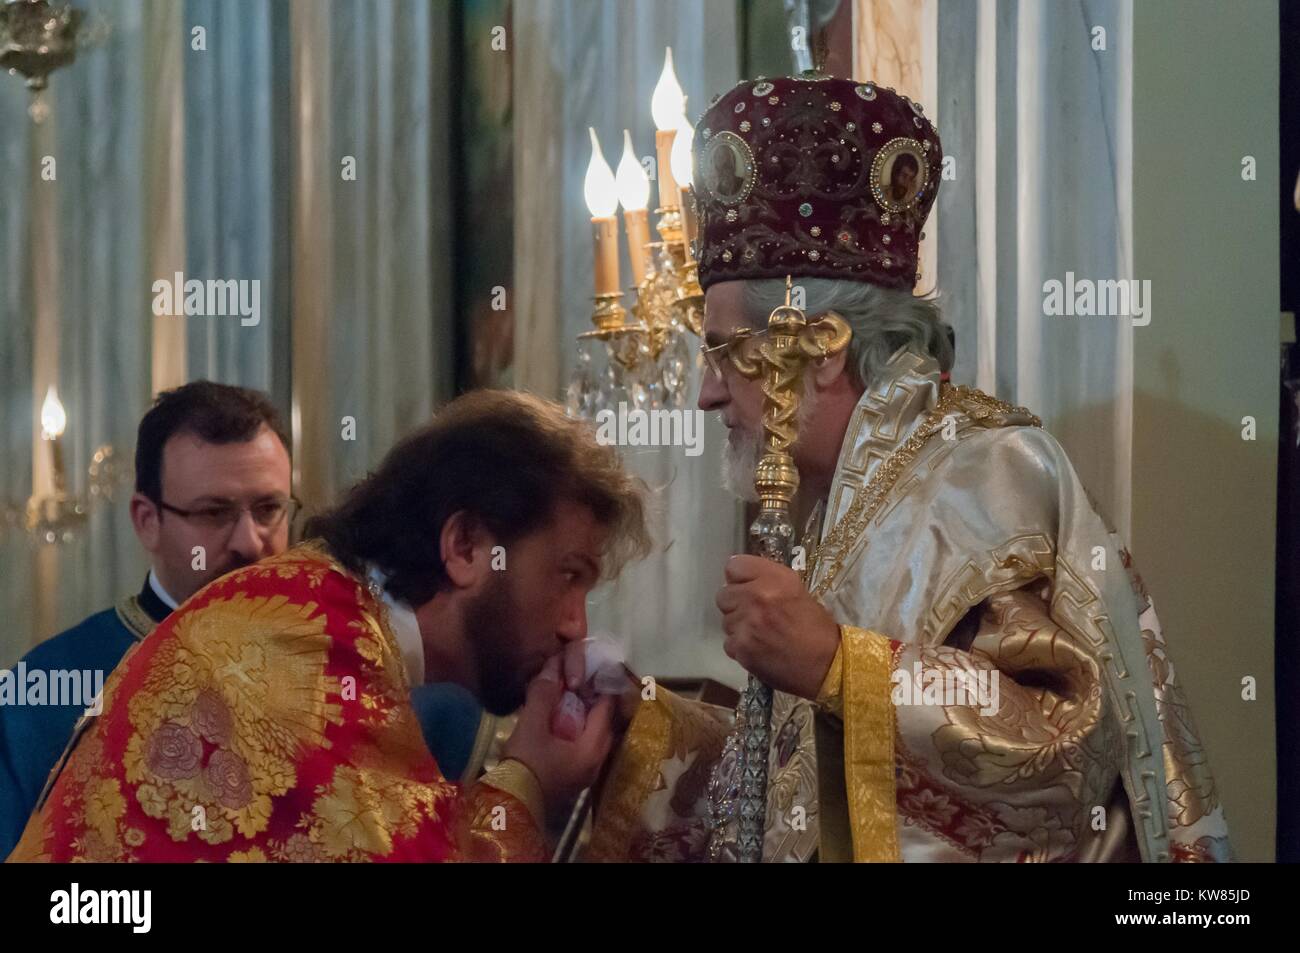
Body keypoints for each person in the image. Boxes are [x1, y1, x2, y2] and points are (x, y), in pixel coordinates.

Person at [581, 74, 1231, 863]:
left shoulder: (986, 474)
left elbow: (1070, 748)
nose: (707, 391)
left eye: (723, 350)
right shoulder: (842, 502)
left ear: (817, 347)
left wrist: (835, 663)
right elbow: (802, 795)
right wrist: (641, 726)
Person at [6, 389, 648, 862]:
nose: (576, 625)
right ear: (466, 546)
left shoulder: (319, 615)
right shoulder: (307, 655)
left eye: (268, 508)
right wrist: (530, 781)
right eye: (568, 576)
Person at [0, 381, 294, 858]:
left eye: (268, 509)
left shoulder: (332, 668)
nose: (251, 542)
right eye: (214, 512)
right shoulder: (45, 688)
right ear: (146, 520)